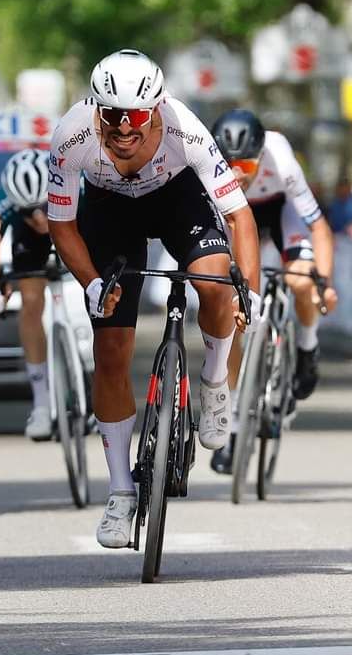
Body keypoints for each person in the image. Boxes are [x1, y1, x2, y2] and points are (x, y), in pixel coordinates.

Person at [46, 50, 261, 548]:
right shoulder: (71, 135)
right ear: (95, 108)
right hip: (108, 213)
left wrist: (246, 288)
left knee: (214, 284)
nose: (124, 128)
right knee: (111, 352)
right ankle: (121, 491)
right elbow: (61, 224)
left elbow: (239, 216)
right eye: (113, 115)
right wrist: (92, 284)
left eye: (137, 117)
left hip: (176, 200)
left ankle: (212, 382)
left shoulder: (186, 128)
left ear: (156, 109)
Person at [206, 110, 339, 474]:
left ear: (261, 155)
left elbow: (320, 228)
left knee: (300, 282)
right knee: (227, 318)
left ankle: (307, 347)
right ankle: (231, 428)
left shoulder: (281, 160)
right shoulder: (205, 162)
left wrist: (324, 281)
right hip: (233, 214)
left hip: (281, 212)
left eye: (246, 164)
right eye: (230, 163)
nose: (238, 172)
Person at [0, 148, 55, 439]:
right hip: (28, 243)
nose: (40, 218)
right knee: (31, 302)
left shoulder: (76, 183)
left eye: (44, 206)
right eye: (30, 212)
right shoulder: (6, 201)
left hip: (72, 222)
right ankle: (41, 402)